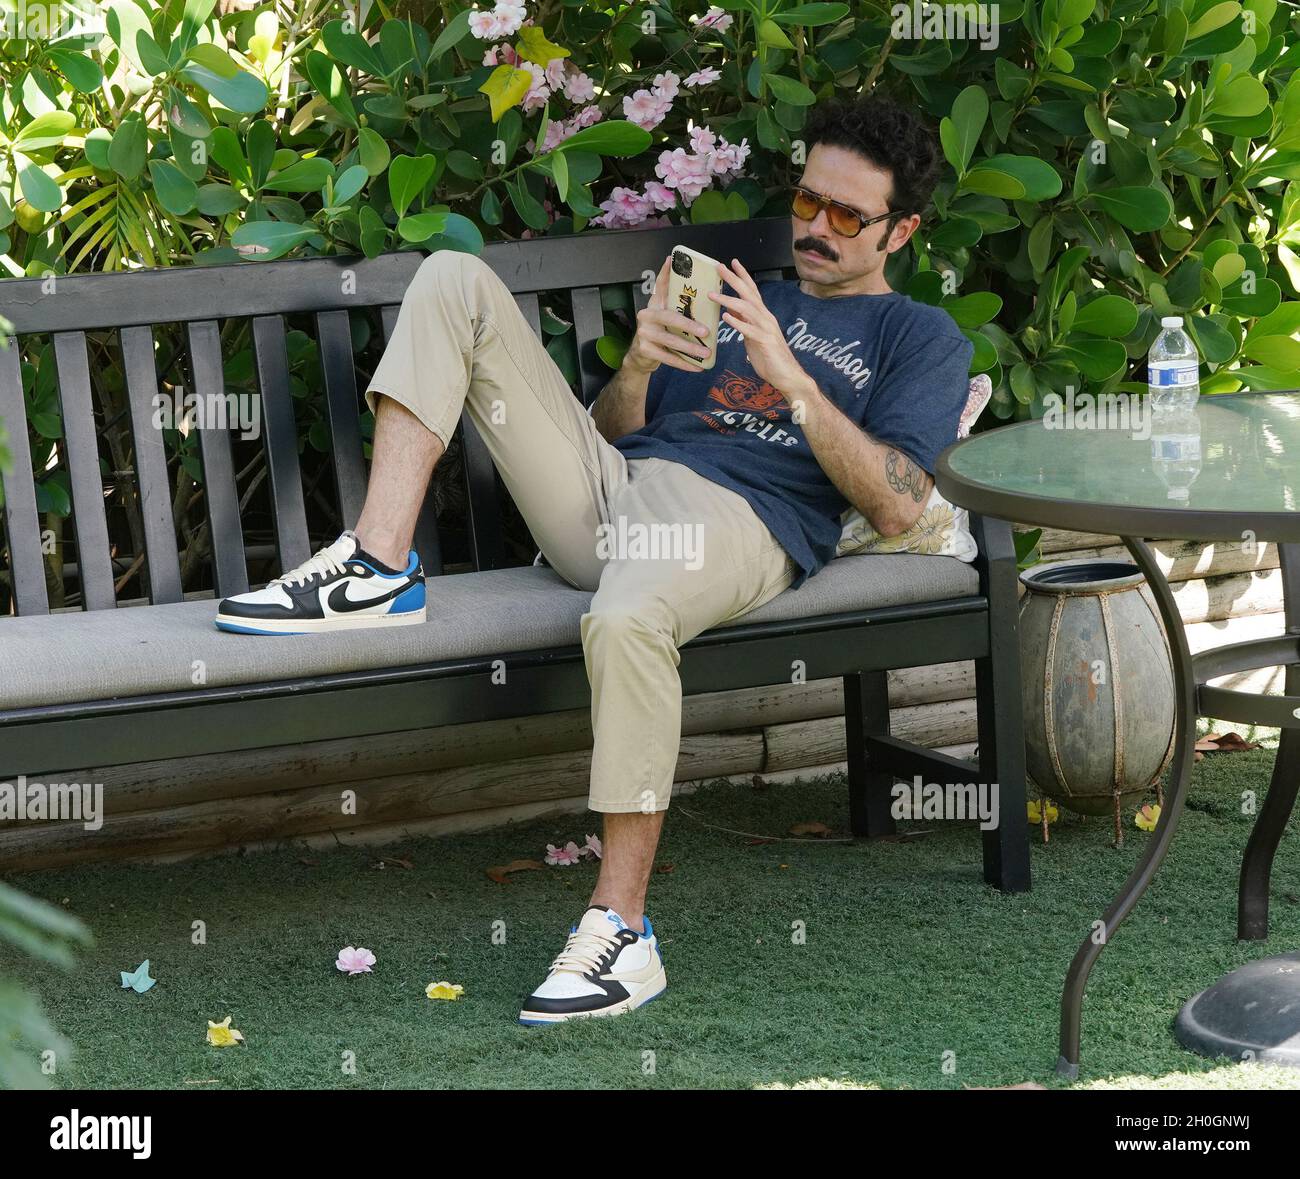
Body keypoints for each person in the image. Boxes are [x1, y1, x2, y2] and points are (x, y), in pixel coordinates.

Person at [214, 93, 974, 1024]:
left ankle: (622, 930)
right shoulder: (743, 297)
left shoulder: (920, 337)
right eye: (807, 202)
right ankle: (378, 564)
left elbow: (899, 501)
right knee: (454, 277)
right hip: (617, 496)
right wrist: (642, 370)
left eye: (847, 217)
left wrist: (796, 383)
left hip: (740, 521)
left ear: (901, 230)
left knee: (624, 616)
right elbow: (613, 433)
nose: (814, 229)